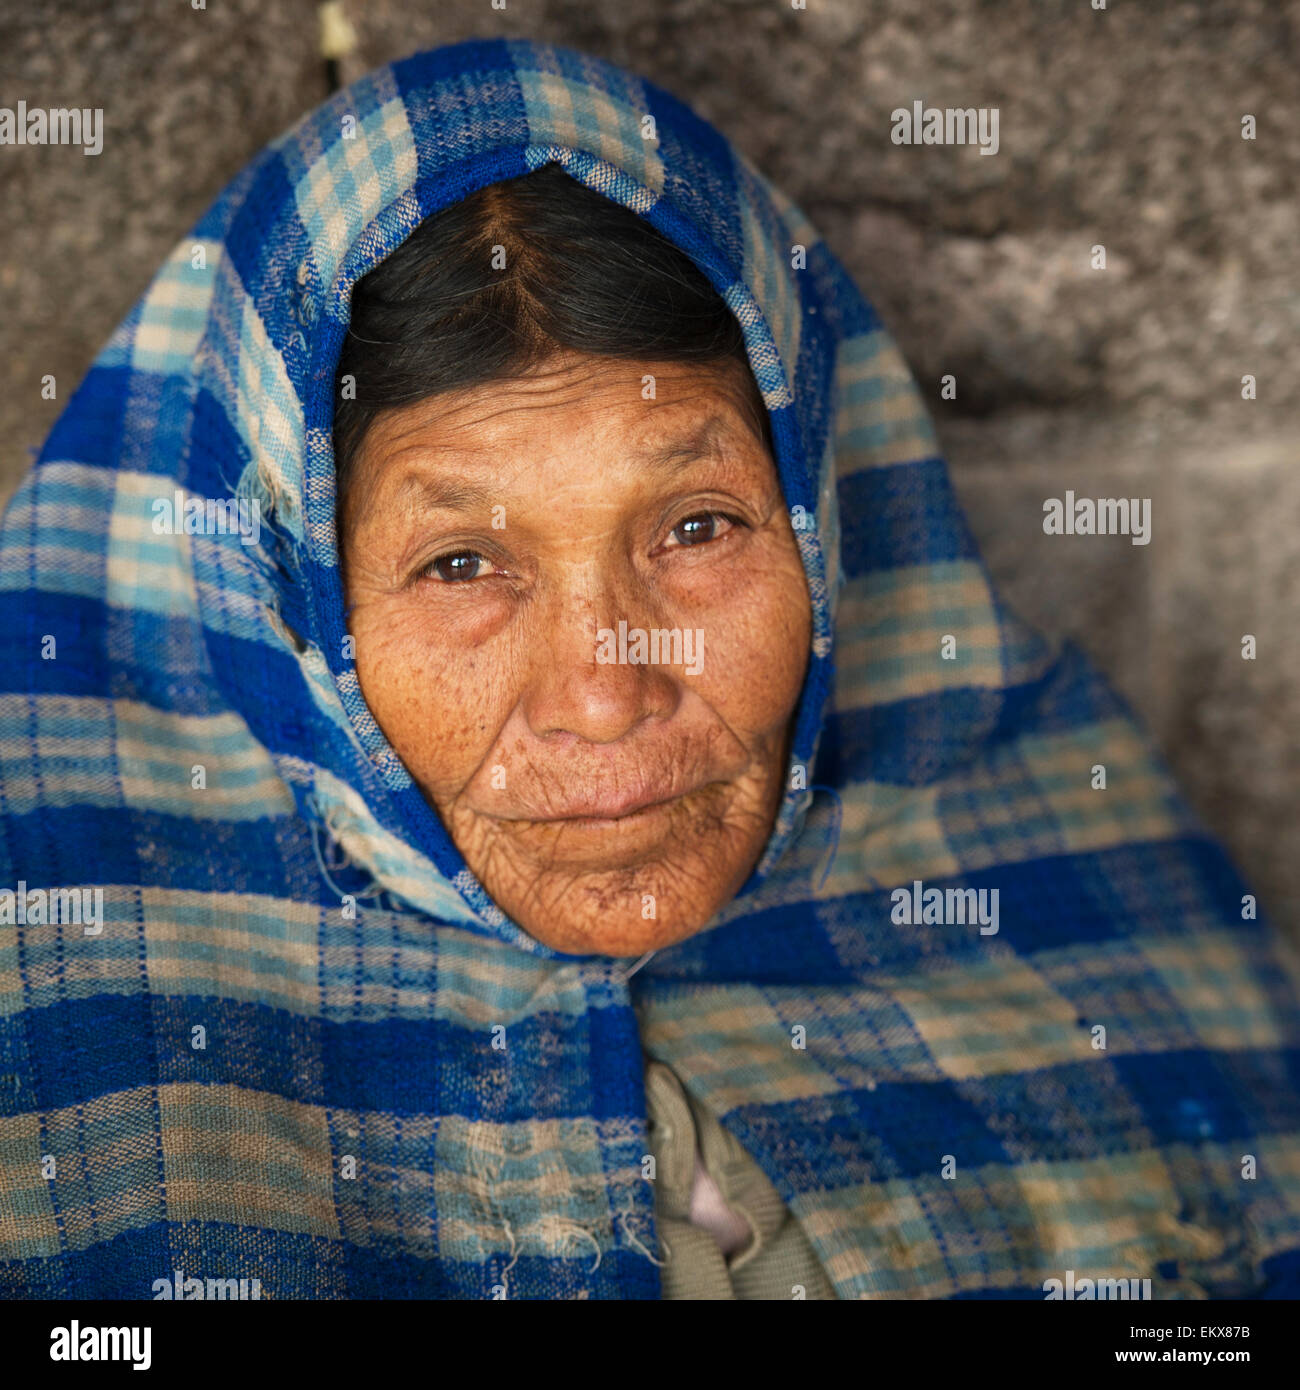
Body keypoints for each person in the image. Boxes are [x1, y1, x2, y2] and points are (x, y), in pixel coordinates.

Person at [0, 38, 1296, 1301]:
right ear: (280, 588)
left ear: (819, 520)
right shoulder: (55, 1032)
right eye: (460, 564)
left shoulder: (1079, 898)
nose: (606, 691)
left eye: (697, 528)